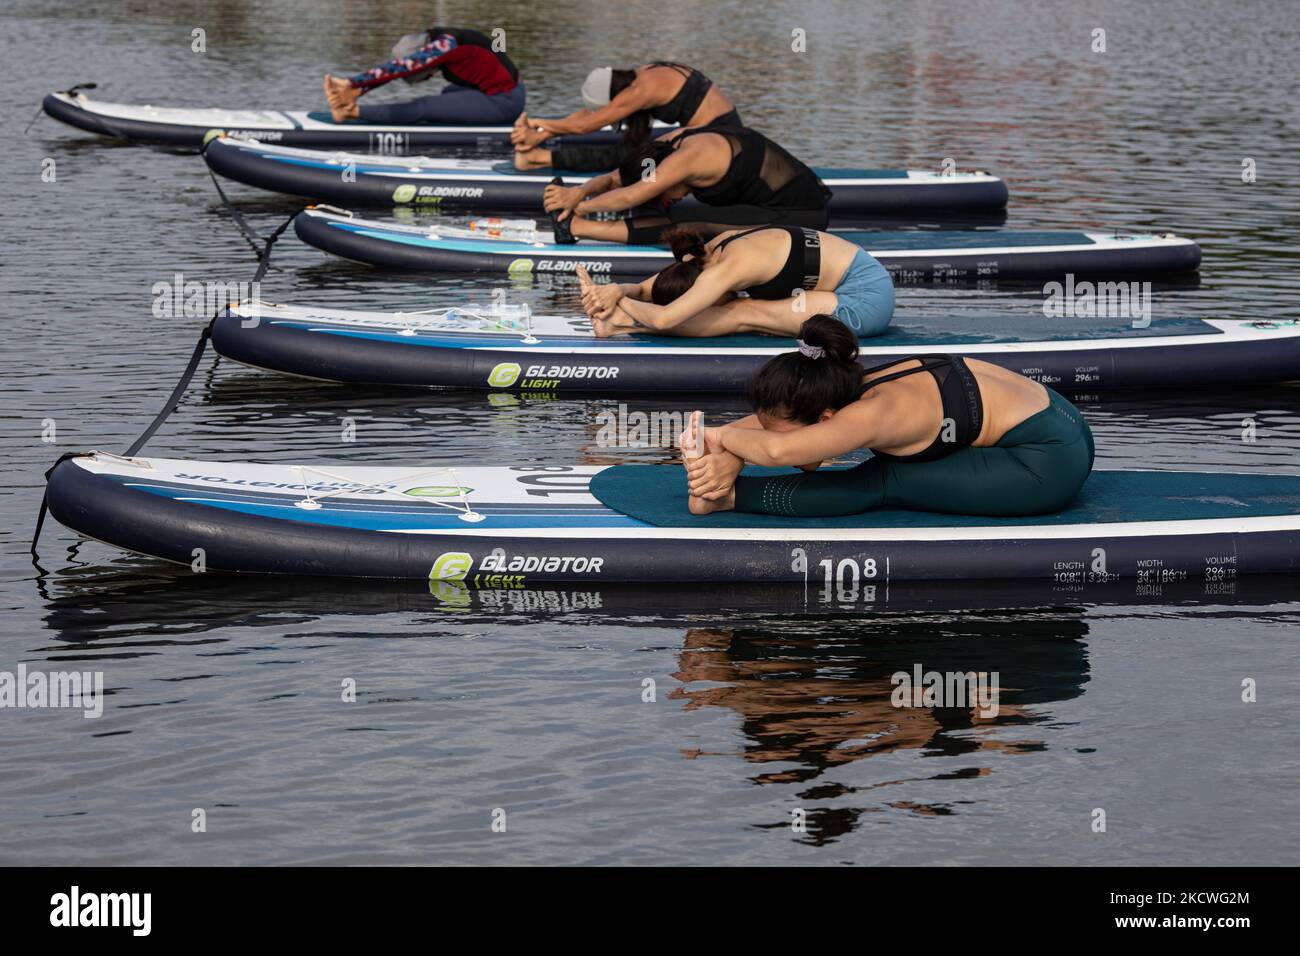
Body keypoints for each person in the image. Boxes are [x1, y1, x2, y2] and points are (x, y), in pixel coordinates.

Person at [680, 315, 1095, 519]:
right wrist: (730, 452)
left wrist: (720, 443)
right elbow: (777, 429)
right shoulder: (840, 381)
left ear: (826, 417)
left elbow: (776, 448)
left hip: (1048, 464)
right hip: (1066, 420)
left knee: (884, 478)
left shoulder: (876, 412)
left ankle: (729, 502)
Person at [576, 224, 894, 338]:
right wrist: (619, 287)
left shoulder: (725, 271)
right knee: (744, 308)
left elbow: (664, 318)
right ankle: (617, 322)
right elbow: (650, 286)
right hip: (841, 281)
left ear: (704, 287)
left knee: (743, 313)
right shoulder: (706, 253)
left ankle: (620, 323)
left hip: (865, 299)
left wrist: (619, 303)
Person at [544, 126, 831, 245]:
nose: (665, 197)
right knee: (679, 212)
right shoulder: (670, 144)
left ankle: (574, 227)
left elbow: (632, 194)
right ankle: (576, 221)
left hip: (801, 218)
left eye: (662, 191)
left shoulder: (687, 158)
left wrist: (576, 208)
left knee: (685, 221)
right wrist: (578, 191)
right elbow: (617, 177)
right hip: (768, 204)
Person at [510, 62, 740, 172]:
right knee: (632, 151)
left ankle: (538, 159)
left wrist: (537, 123)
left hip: (721, 137)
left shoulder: (640, 92)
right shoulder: (642, 73)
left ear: (616, 96)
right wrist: (542, 133)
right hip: (717, 130)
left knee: (627, 159)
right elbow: (589, 116)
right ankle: (536, 154)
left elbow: (585, 126)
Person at [322, 27, 525, 126]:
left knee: (423, 107)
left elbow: (400, 68)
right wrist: (360, 89)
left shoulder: (444, 46)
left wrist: (352, 82)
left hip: (505, 101)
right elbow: (401, 69)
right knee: (447, 93)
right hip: (498, 93)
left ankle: (350, 113)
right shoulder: (439, 37)